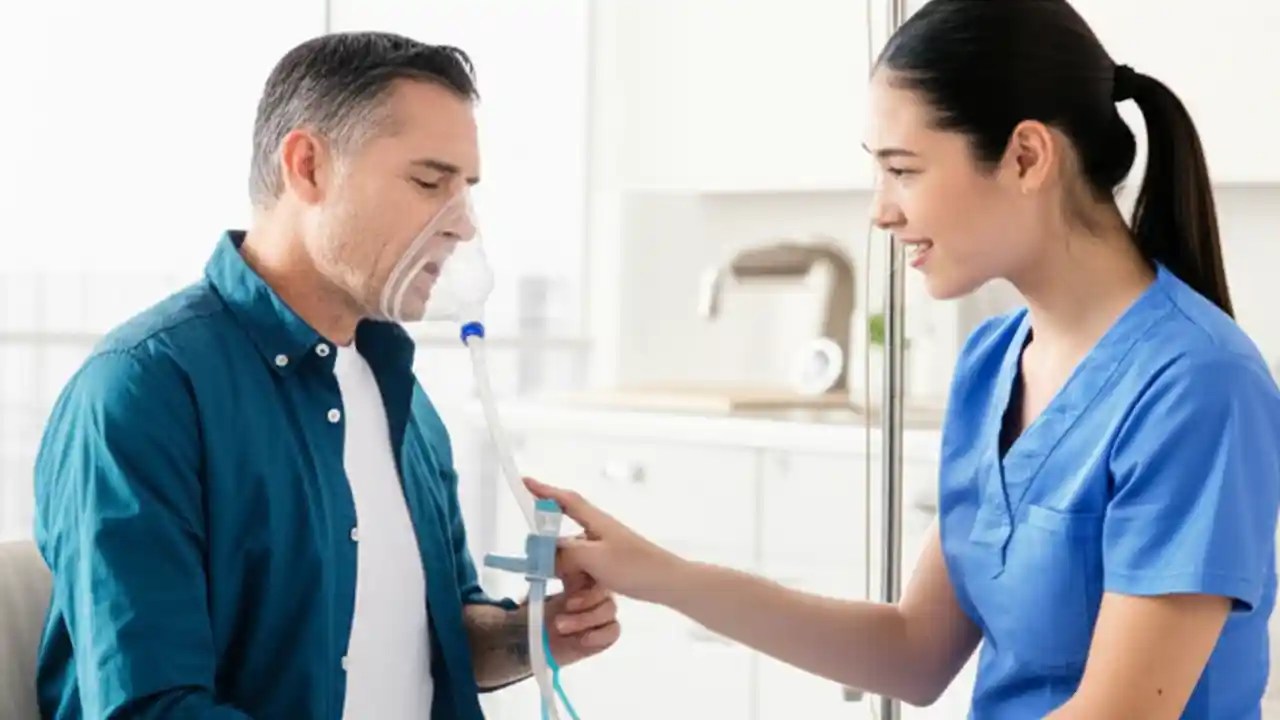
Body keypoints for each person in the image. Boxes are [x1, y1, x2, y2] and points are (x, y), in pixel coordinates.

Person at [527, 1, 1280, 718]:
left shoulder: (1197, 385)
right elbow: (914, 651)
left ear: (1025, 156)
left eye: (904, 169)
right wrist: (662, 575)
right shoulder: (994, 363)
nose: (880, 208)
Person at [31, 31, 619, 720]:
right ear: (307, 166)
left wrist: (529, 636)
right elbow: (149, 707)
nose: (462, 226)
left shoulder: (400, 393)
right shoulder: (144, 393)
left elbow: (433, 640)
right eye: (429, 182)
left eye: (466, 191)